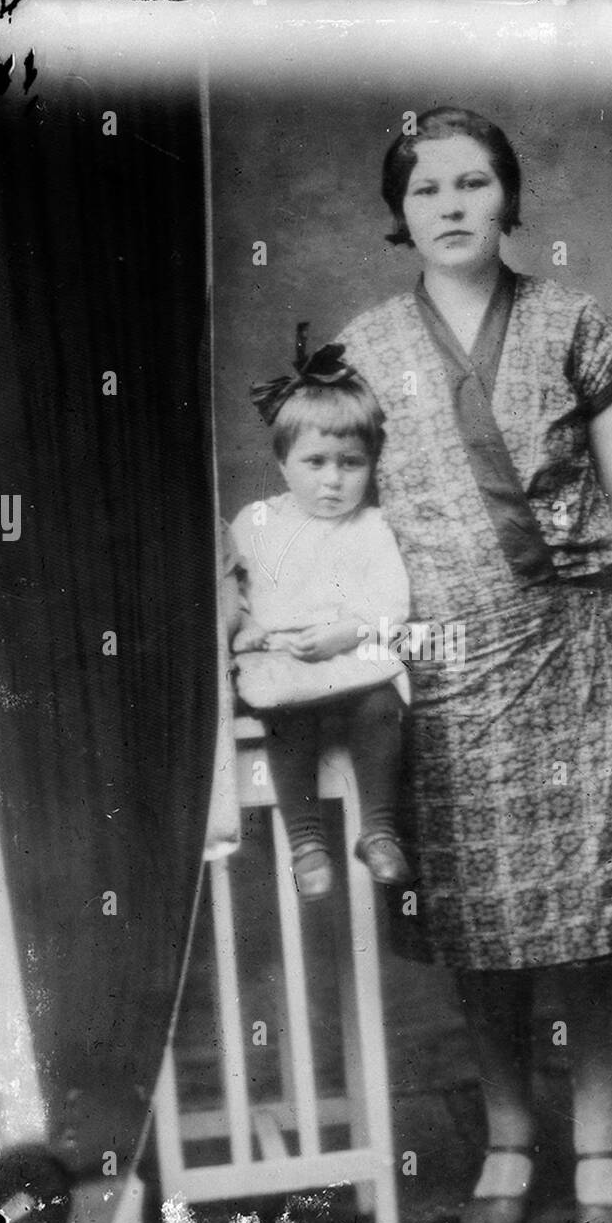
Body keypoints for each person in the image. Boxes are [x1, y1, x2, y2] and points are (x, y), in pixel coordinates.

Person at [335, 107, 612, 1223]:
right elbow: (326, 506)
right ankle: (504, 1134)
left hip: (579, 653)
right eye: (427, 188)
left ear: (509, 199)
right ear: (399, 212)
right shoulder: (364, 349)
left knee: (594, 903)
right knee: (476, 917)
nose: (451, 206)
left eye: (474, 184)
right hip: (445, 670)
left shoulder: (574, 319)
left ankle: (594, 1135)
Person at [228, 341, 414, 900]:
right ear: (283, 462)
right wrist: (250, 630)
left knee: (382, 705)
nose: (333, 481)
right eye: (315, 463)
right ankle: (306, 840)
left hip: (352, 653)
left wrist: (351, 629)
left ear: (371, 465)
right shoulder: (257, 522)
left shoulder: (374, 526)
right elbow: (236, 595)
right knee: (288, 716)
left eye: (350, 463)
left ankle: (379, 828)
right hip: (288, 659)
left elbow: (392, 603)